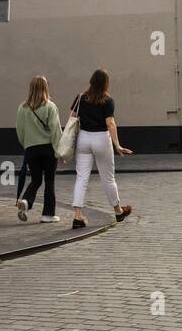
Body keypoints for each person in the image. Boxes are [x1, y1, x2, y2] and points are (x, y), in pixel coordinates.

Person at [70, 68, 134, 230]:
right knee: (108, 178)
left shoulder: (80, 98)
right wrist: (117, 144)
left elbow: (72, 118)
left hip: (83, 138)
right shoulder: (108, 100)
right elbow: (110, 123)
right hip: (101, 139)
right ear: (106, 84)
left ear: (91, 81)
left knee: (81, 178)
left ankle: (77, 216)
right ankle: (118, 211)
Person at [15, 76, 62, 223]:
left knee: (35, 180)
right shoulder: (50, 106)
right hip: (48, 149)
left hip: (31, 149)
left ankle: (26, 201)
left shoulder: (22, 108)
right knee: (49, 181)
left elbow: (19, 130)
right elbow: (55, 130)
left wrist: (27, 145)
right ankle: (48, 215)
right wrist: (58, 150)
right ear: (46, 88)